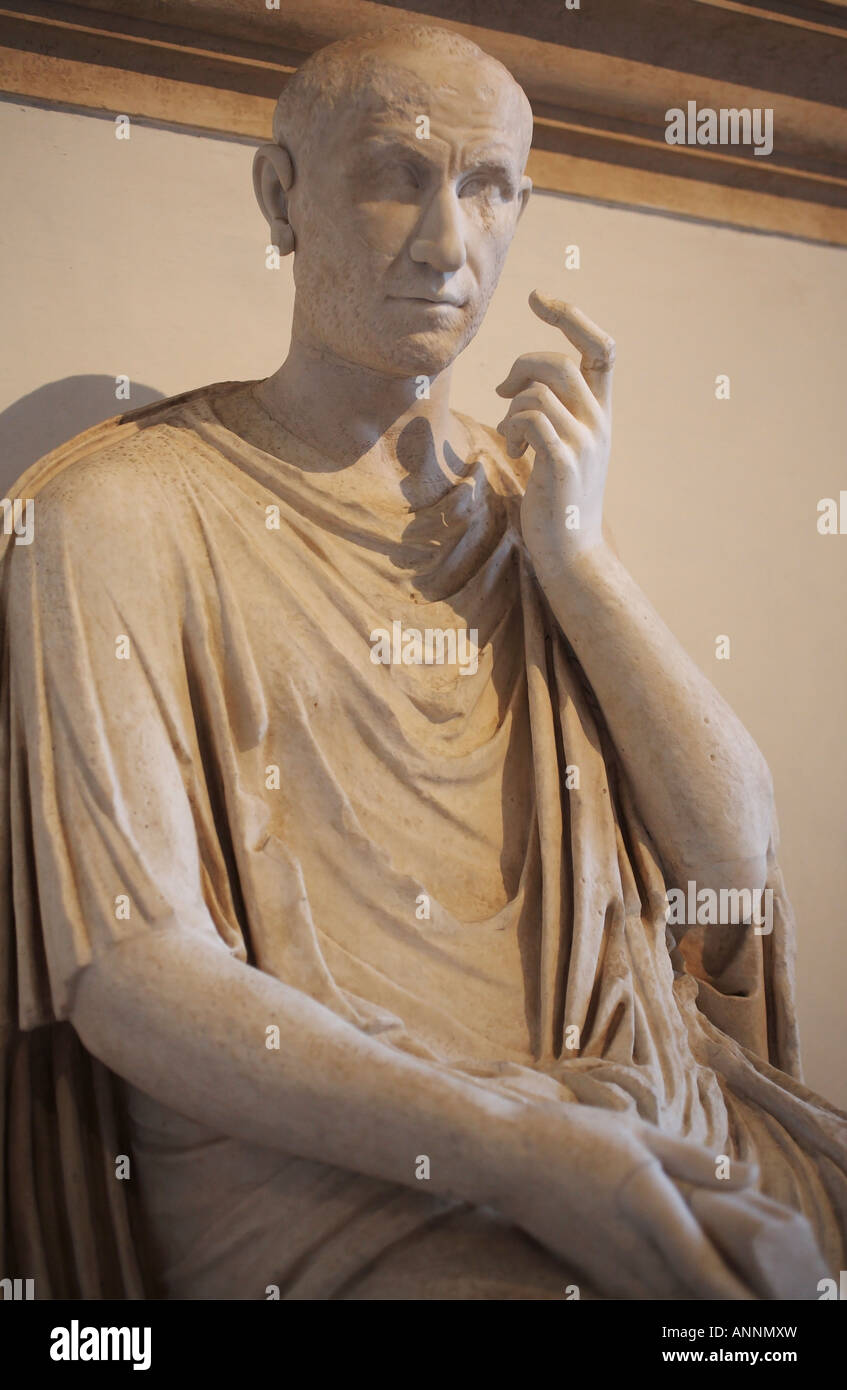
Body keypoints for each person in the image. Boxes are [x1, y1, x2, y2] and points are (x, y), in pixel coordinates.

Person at [1, 23, 844, 1301]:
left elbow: (731, 874)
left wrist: (580, 561)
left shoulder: (529, 512)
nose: (450, 245)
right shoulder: (120, 509)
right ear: (282, 196)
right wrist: (512, 1149)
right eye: (398, 174)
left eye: (490, 186)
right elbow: (131, 974)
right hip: (328, 1159)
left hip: (632, 1108)